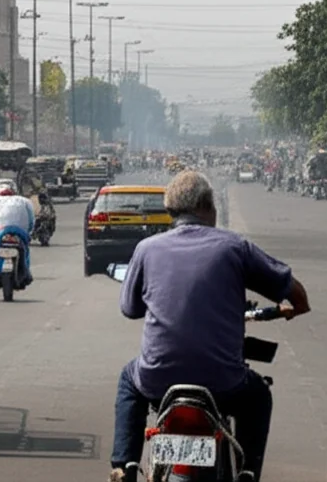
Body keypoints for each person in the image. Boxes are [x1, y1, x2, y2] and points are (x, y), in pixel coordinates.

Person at [109, 171, 312, 482]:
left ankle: (125, 467)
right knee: (259, 396)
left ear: (171, 212)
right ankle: (247, 473)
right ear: (207, 207)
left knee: (128, 380)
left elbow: (129, 308)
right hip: (223, 384)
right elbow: (289, 286)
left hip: (157, 380)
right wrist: (297, 307)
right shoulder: (235, 247)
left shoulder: (146, 249)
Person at [0, 185, 35, 287]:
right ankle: (26, 273)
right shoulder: (25, 201)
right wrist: (29, 232)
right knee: (25, 249)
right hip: (20, 231)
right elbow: (31, 220)